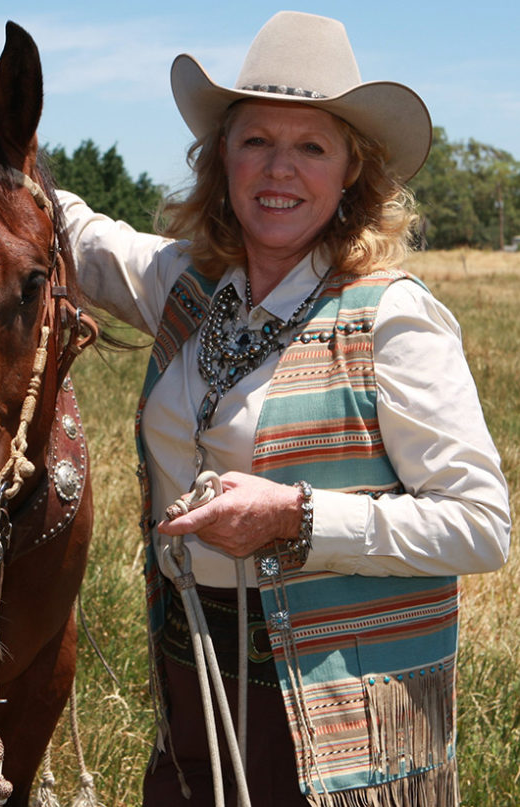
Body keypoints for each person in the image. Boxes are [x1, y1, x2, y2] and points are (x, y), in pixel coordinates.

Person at [58, 11, 511, 807]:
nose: (279, 169)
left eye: (312, 147)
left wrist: (296, 517)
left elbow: (479, 524)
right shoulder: (190, 287)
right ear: (222, 159)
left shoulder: (392, 317)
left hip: (337, 723)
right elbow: (80, 235)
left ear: (351, 173)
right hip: (194, 677)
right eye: (257, 140)